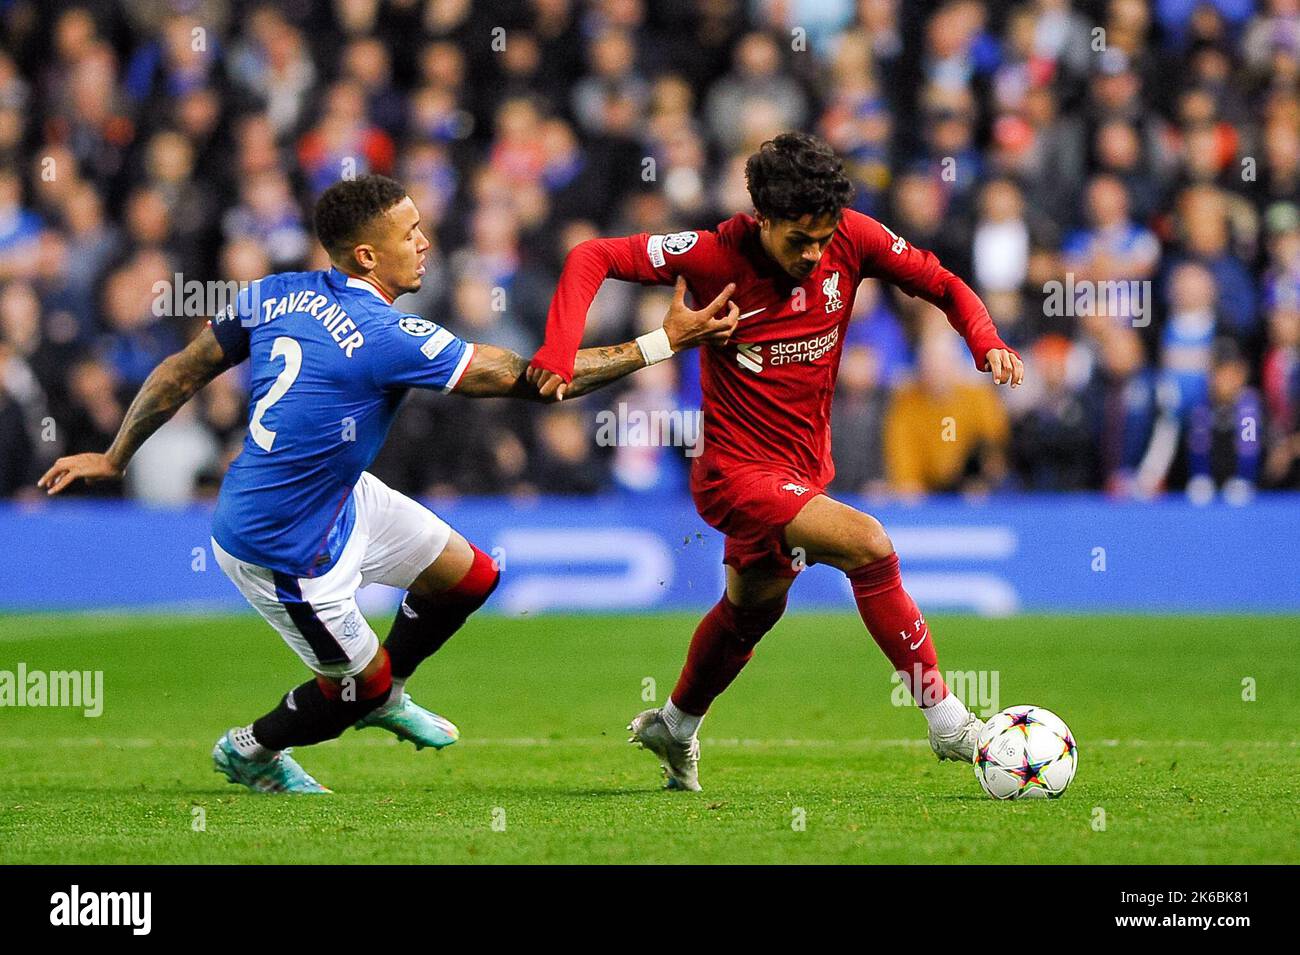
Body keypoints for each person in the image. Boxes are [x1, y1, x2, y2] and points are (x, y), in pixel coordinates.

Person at [38, 174, 738, 794]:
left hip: (341, 495)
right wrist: (662, 342)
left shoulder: (275, 292)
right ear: (367, 256)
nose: (425, 242)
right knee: (353, 686)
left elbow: (180, 370)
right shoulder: (387, 334)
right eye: (410, 232)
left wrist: (114, 455)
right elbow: (534, 381)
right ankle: (254, 748)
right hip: (280, 545)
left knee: (469, 576)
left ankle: (384, 689)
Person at [529, 133, 1023, 791]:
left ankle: (674, 726)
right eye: (800, 240)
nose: (816, 254)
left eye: (824, 239)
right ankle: (949, 720)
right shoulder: (710, 254)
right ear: (762, 218)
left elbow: (943, 283)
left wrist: (984, 341)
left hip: (802, 467)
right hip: (733, 470)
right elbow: (592, 255)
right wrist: (560, 350)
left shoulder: (854, 237)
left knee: (751, 610)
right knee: (869, 545)